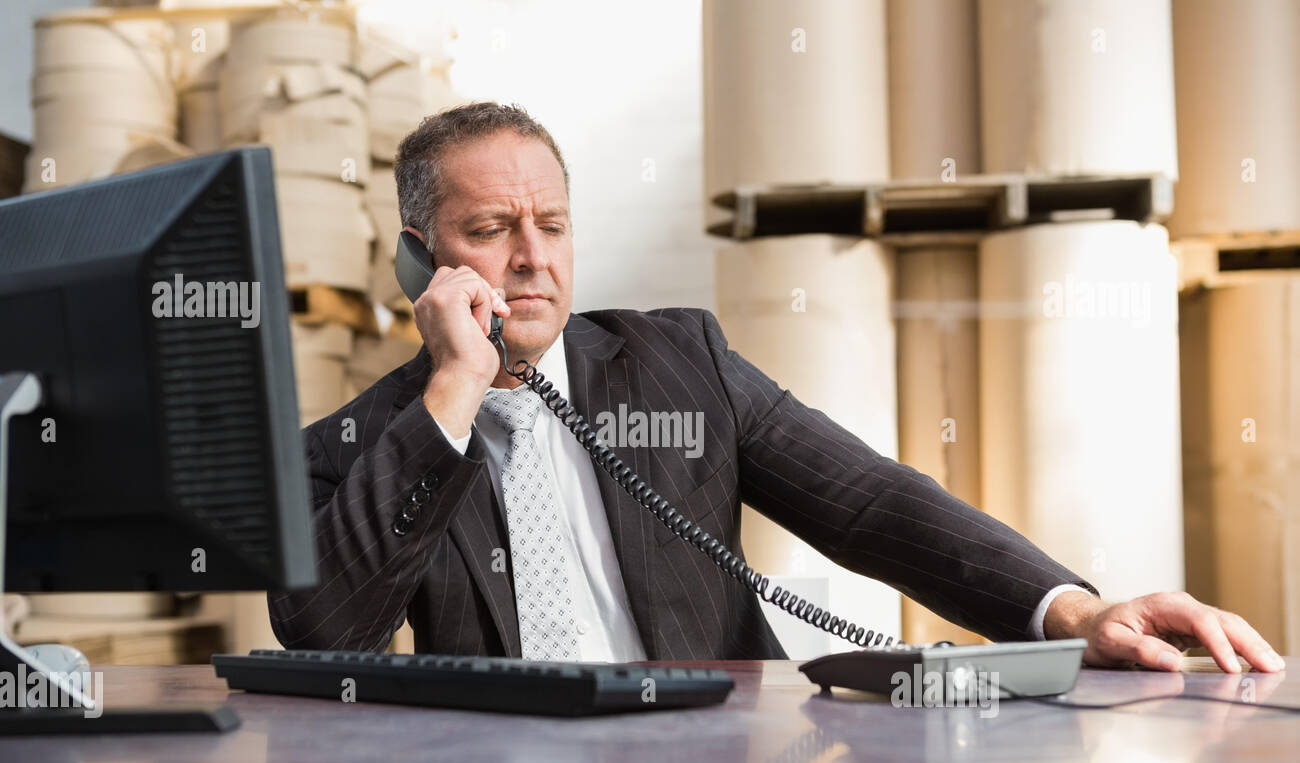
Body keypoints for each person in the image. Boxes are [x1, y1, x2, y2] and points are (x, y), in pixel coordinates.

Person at [268, 101, 1283, 674]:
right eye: (490, 231)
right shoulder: (355, 444)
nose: (533, 259)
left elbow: (871, 500)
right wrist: (453, 388)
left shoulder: (678, 362)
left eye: (554, 225)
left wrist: (1067, 609)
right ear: (417, 261)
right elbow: (324, 631)